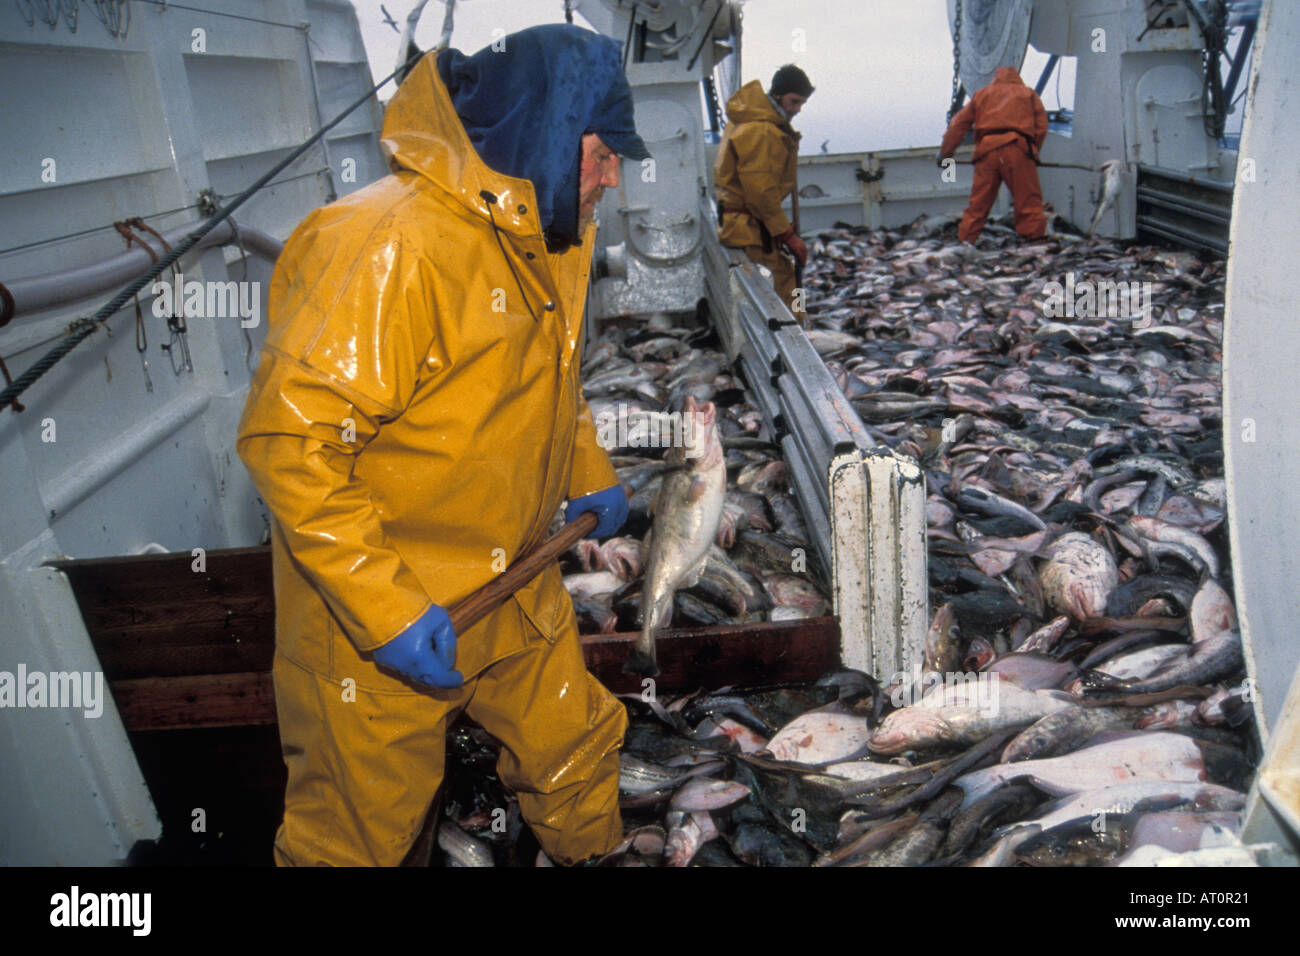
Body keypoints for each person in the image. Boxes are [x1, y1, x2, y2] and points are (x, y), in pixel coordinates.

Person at [236, 24, 650, 867]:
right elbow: (289, 442)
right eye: (604, 151)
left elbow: (544, 389)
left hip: (517, 575)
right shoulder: (383, 244)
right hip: (387, 609)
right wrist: (387, 614)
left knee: (576, 750)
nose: (615, 174)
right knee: (357, 835)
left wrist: (587, 474)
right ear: (547, 127)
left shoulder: (551, 234)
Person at [714, 64, 813, 321]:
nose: (796, 109)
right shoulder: (761, 129)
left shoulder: (747, 120)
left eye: (801, 104)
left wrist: (779, 229)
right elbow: (760, 193)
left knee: (782, 273)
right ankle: (796, 332)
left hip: (742, 223)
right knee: (786, 278)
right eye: (793, 101)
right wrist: (787, 234)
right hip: (748, 226)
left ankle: (794, 324)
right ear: (778, 95)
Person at [937, 66, 1048, 243]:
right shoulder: (1028, 94)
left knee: (978, 204)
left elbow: (958, 125)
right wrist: (1032, 153)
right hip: (1018, 149)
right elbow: (1041, 127)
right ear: (1017, 78)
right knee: (1028, 202)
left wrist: (945, 153)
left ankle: (965, 242)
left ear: (994, 79)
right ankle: (1034, 243)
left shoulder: (982, 95)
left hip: (987, 152)